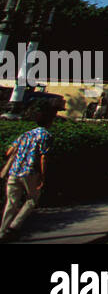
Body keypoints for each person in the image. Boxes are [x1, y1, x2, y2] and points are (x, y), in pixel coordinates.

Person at [0, 101, 56, 241]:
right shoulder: (46, 136)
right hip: (30, 172)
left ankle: (2, 231)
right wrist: (43, 177)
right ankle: (14, 227)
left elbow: (9, 152)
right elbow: (43, 157)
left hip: (14, 171)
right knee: (32, 199)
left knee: (11, 202)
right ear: (50, 122)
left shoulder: (26, 134)